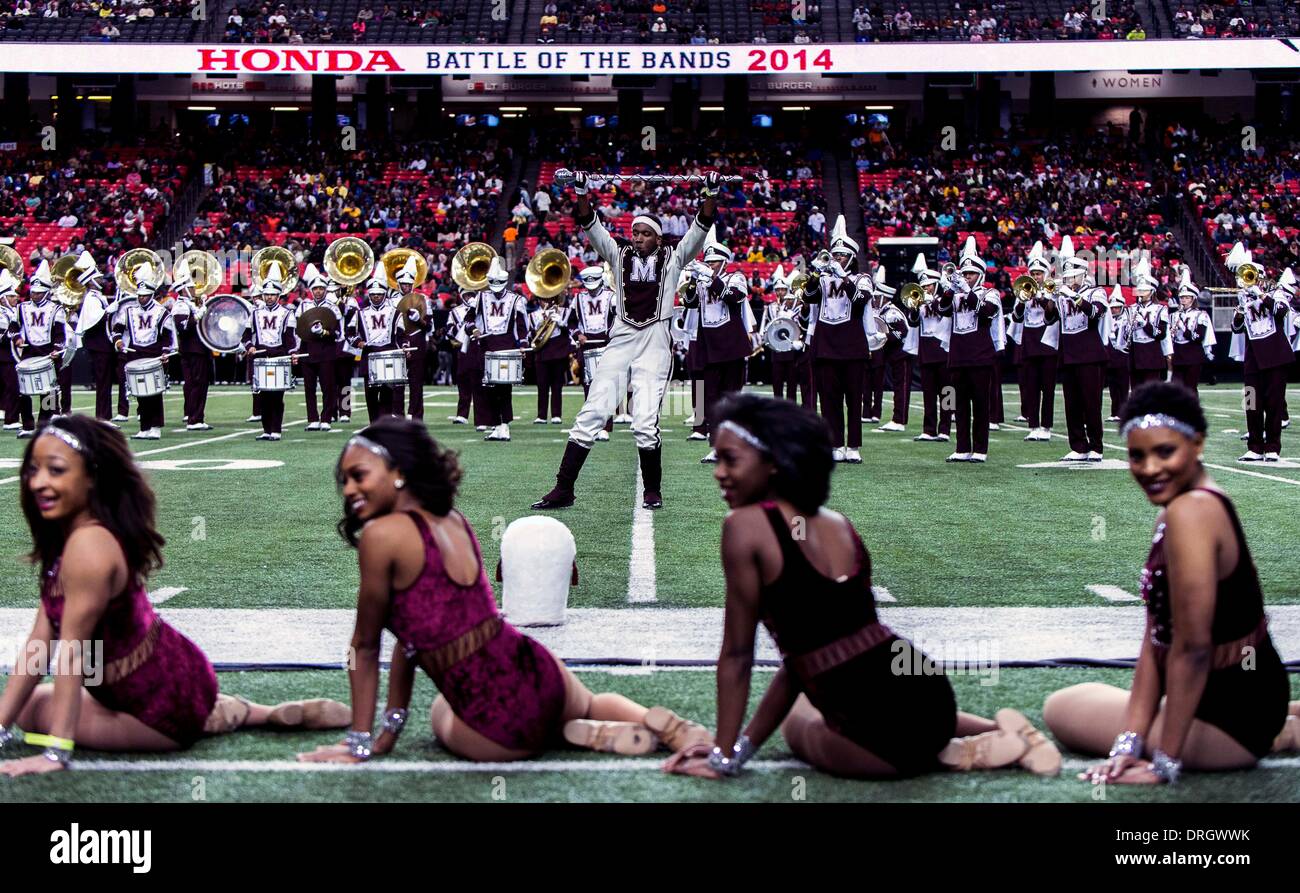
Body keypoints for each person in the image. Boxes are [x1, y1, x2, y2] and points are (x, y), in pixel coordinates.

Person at [664, 394, 1060, 780]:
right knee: (833, 696)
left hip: (876, 735)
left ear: (772, 463)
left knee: (799, 725)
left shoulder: (744, 527)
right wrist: (737, 747)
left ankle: (953, 754)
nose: (718, 471)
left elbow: (737, 654)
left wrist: (724, 755)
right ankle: (997, 730)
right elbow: (807, 658)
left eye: (730, 459)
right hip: (928, 693)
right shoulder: (838, 522)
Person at [298, 418, 711, 765]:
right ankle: (672, 727)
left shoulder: (382, 535)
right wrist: (389, 723)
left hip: (493, 716)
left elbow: (365, 647)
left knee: (442, 713)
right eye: (344, 481)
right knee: (588, 700)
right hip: (535, 665)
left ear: (399, 471)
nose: (349, 490)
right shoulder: (453, 520)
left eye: (359, 476)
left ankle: (567, 736)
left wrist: (366, 740)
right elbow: (410, 641)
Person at [0, 415, 349, 777]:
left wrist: (55, 754)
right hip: (169, 671)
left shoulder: (88, 547)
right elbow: (39, 642)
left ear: (93, 477)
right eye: (33, 470)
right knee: (27, 707)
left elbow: (70, 652)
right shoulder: (70, 536)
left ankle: (221, 714)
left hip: (155, 703)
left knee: (37, 715)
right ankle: (251, 711)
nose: (38, 482)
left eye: (55, 471)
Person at [1043, 383, 1297, 785]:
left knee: (1062, 711)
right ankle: (1284, 718)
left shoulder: (1193, 512)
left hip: (1235, 711)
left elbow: (1192, 649)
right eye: (1137, 455)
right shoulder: (1176, 508)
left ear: (1197, 444)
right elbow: (1156, 637)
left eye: (1165, 452)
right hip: (1231, 689)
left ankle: (1284, 730)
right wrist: (1128, 743)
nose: (1149, 468)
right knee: (1065, 705)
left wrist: (1163, 761)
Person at [532, 169, 719, 511]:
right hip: (622, 337)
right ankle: (563, 488)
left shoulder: (675, 258)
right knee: (592, 412)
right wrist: (581, 190)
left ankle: (652, 490)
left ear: (658, 239)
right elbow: (591, 225)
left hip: (656, 340)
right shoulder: (618, 255)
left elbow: (700, 228)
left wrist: (709, 194)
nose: (637, 238)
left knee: (645, 421)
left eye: (646, 234)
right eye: (635, 232)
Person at [802, 215, 874, 464]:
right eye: (835, 255)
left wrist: (842, 276)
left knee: (854, 399)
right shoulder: (822, 279)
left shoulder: (861, 279)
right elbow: (808, 297)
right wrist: (815, 273)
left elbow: (861, 300)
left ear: (852, 258)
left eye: (843, 256)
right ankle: (834, 444)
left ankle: (853, 445)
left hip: (852, 348)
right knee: (829, 400)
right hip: (825, 348)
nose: (838, 259)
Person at [680, 226, 754, 463]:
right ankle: (715, 444)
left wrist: (710, 278)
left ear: (724, 262)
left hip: (731, 346)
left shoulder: (736, 277)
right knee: (710, 398)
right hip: (708, 346)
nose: (709, 265)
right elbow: (690, 304)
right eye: (707, 261)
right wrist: (692, 281)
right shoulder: (702, 282)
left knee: (731, 398)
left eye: (713, 262)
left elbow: (734, 298)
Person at [937, 237, 1004, 463]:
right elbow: (942, 309)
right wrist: (948, 290)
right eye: (964, 274)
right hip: (958, 356)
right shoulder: (956, 295)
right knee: (959, 405)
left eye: (971, 274)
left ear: (981, 275)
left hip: (980, 357)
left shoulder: (989, 293)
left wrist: (968, 291)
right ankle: (962, 447)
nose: (966, 277)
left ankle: (980, 449)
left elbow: (988, 312)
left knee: (981, 405)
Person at [1226, 244, 1294, 462]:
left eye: (1251, 276)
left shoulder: (1277, 292)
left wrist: (1261, 294)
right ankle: (1254, 446)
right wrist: (1238, 314)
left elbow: (1281, 311)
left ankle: (1272, 446)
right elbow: (1237, 329)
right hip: (1253, 357)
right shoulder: (1243, 298)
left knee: (1274, 403)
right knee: (1251, 402)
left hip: (1275, 355)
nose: (1248, 280)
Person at [1054, 236, 1108, 462]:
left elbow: (1095, 313)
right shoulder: (1063, 295)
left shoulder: (1096, 292)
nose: (1069, 280)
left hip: (1089, 354)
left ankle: (1096, 446)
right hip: (1068, 354)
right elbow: (1050, 319)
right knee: (1072, 403)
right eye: (1067, 276)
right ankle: (1078, 446)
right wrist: (1049, 297)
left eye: (1072, 276)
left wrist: (1072, 295)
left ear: (1083, 274)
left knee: (1091, 402)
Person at [111, 262, 174, 441]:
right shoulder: (129, 311)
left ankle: (155, 426)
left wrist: (165, 352)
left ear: (152, 294)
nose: (141, 299)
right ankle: (144, 426)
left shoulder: (161, 312)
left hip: (154, 354)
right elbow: (117, 328)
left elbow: (167, 335)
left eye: (145, 296)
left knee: (154, 393)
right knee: (140, 392)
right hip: (135, 353)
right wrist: (118, 342)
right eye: (139, 296)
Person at [241, 262, 299, 442]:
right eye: (266, 294)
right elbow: (245, 336)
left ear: (278, 295)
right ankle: (266, 430)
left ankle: (276, 430)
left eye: (272, 295)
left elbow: (291, 338)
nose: (269, 298)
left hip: (279, 357)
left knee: (276, 396)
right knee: (263, 396)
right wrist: (249, 346)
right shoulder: (255, 313)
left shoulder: (287, 314)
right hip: (260, 358)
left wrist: (292, 353)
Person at [12, 260, 68, 438]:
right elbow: (13, 327)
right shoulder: (21, 308)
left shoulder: (56, 309)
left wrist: (56, 350)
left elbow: (60, 334)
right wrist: (17, 338)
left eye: (38, 293)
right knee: (24, 392)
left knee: (49, 391)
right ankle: (28, 425)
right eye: (33, 292)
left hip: (48, 353)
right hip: (29, 352)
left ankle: (44, 423)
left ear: (46, 292)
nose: (34, 295)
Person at [1010, 241, 1059, 443]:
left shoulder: (1053, 290)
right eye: (1034, 273)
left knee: (1047, 388)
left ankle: (1046, 426)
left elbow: (1053, 313)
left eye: (1039, 273)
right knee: (1031, 387)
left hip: (1047, 343)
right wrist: (1022, 299)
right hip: (1030, 342)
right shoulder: (1024, 289)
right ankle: (1033, 425)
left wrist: (1042, 296)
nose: (1036, 276)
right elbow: (1017, 317)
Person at [297, 264, 342, 432]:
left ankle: (326, 418)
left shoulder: (332, 307)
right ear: (310, 290)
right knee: (309, 387)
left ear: (325, 290)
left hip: (326, 350)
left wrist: (324, 332)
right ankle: (312, 419)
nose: (318, 291)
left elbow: (338, 332)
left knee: (328, 386)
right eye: (315, 288)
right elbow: (298, 331)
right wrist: (296, 351)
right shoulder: (302, 306)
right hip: (307, 350)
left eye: (321, 289)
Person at [169, 261, 213, 431]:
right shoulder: (180, 305)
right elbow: (183, 328)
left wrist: (199, 308)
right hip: (193, 350)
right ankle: (194, 419)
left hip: (197, 350)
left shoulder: (190, 304)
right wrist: (199, 315)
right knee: (196, 383)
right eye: (191, 287)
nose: (195, 289)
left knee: (198, 384)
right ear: (183, 289)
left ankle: (195, 416)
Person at [1169, 267, 1215, 394]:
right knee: (1175, 388)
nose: (1183, 300)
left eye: (1187, 298)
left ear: (1193, 299)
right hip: (1178, 354)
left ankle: (1191, 413)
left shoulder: (1201, 315)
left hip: (1193, 354)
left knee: (1190, 388)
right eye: (1182, 297)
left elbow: (1198, 337)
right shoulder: (1174, 315)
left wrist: (1183, 328)